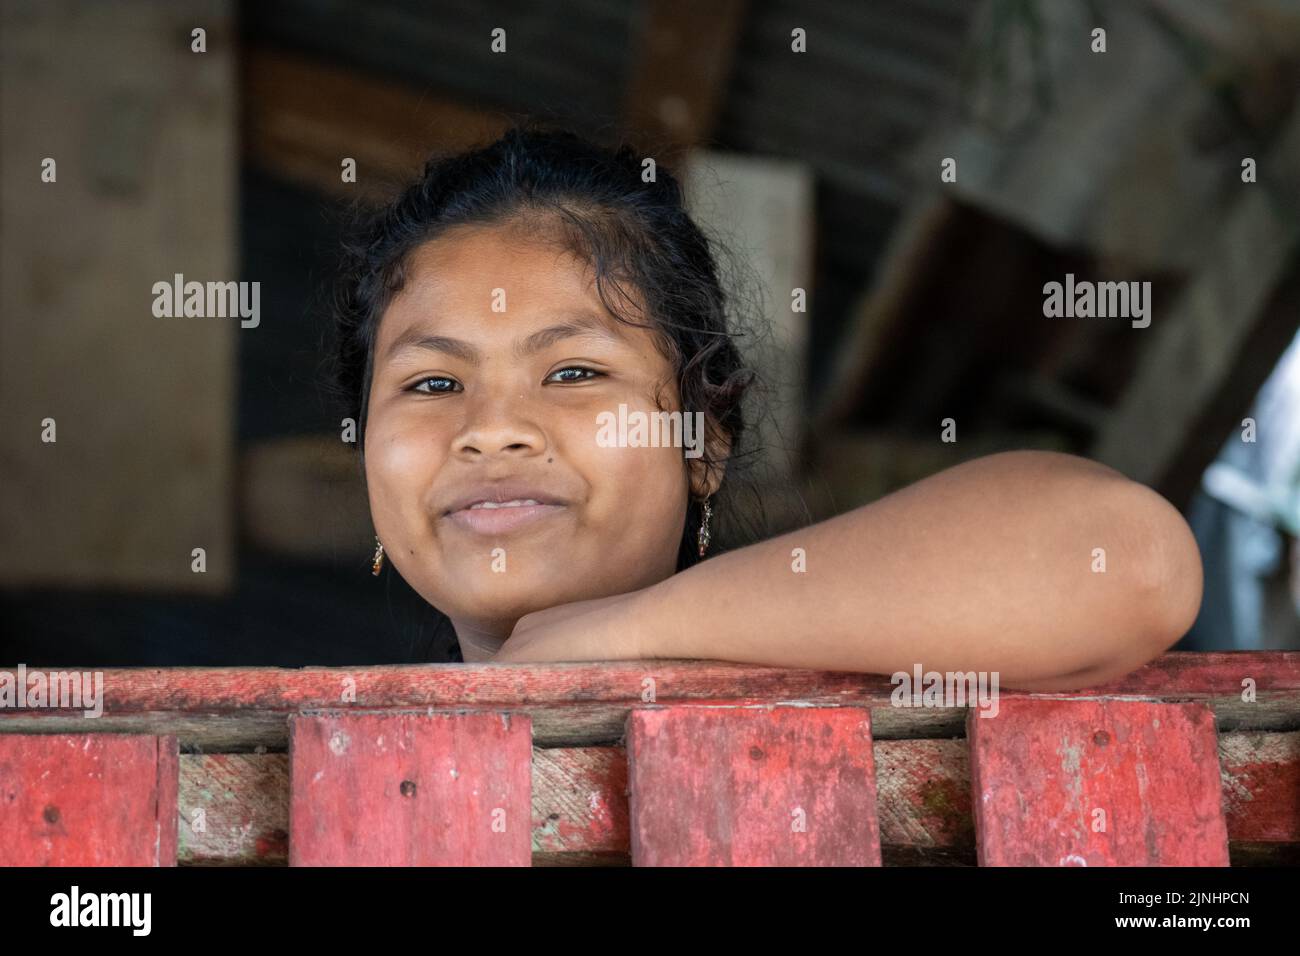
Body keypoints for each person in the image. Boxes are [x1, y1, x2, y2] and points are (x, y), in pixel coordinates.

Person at [329, 124, 1202, 690]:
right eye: (433, 385)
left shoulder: (874, 666)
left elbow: (1128, 556)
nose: (491, 429)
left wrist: (621, 634)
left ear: (702, 442)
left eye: (573, 373)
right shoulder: (317, 779)